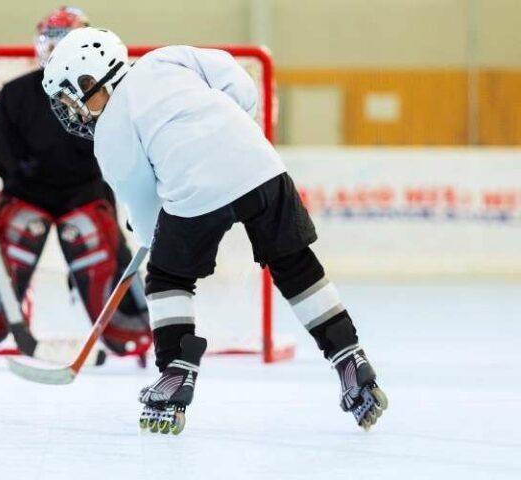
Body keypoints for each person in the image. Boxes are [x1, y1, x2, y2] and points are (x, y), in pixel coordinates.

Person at [40, 27, 388, 434]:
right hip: (261, 164)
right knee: (294, 264)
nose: (75, 112)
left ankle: (174, 376)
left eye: (71, 98)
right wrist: (223, 134)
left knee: (169, 278)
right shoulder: (164, 58)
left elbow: (148, 212)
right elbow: (237, 81)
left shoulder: (111, 133)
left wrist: (153, 233)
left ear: (89, 80)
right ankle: (349, 356)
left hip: (196, 189)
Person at [0, 8, 152, 365]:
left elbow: (121, 153)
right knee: (16, 230)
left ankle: (133, 332)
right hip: (27, 193)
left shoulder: (104, 93)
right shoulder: (16, 95)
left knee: (89, 234)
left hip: (84, 192)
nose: (54, 51)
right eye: (49, 42)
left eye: (64, 43)